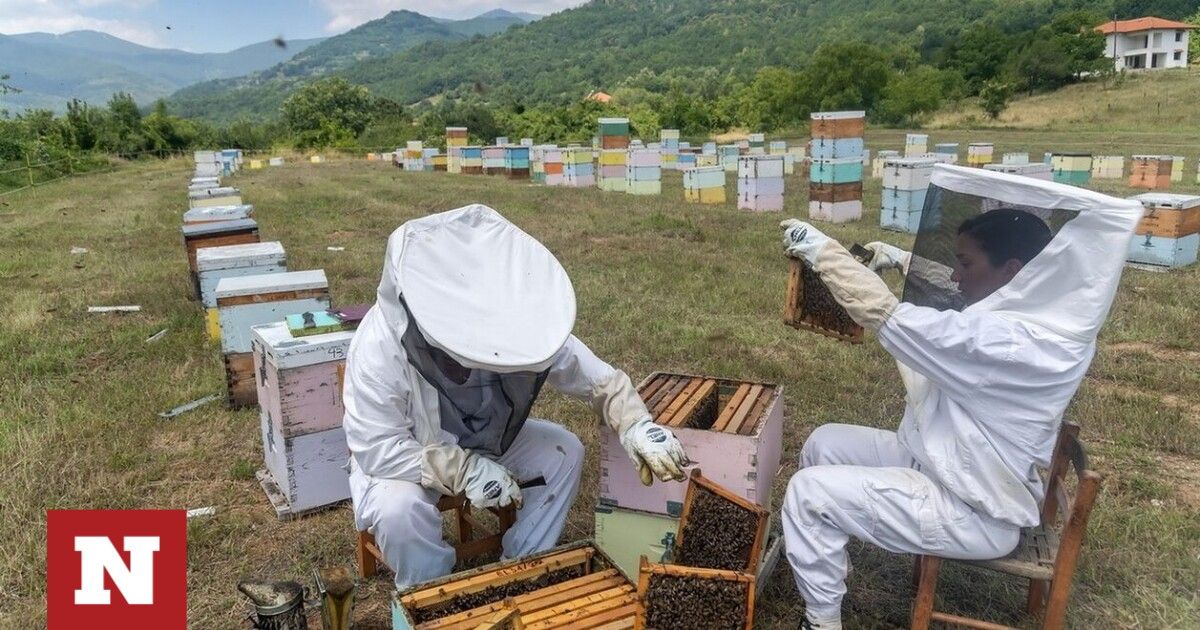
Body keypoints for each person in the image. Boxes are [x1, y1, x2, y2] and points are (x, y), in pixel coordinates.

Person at [778, 186, 1138, 630]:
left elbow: (896, 320)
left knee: (808, 494)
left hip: (973, 510)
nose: (954, 275)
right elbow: (956, 305)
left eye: (965, 264)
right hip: (950, 464)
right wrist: (901, 258)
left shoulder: (1010, 344)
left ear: (1013, 271)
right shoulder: (1037, 318)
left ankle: (820, 623)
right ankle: (826, 567)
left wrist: (825, 253)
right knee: (824, 442)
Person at [343, 204, 689, 588]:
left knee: (564, 452)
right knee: (398, 512)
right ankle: (427, 591)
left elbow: (594, 376)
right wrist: (464, 469)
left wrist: (636, 424)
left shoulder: (509, 318)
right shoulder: (377, 348)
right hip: (410, 456)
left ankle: (520, 568)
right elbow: (377, 447)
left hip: (486, 437)